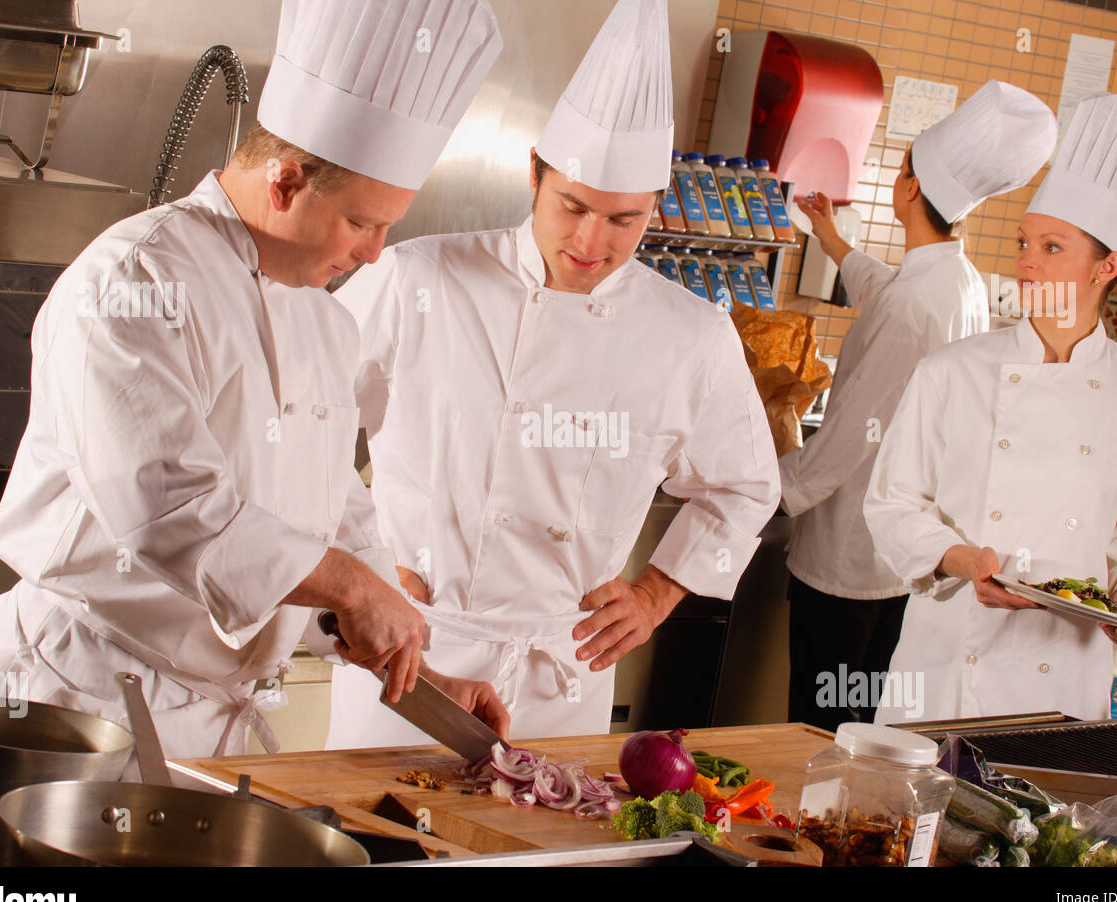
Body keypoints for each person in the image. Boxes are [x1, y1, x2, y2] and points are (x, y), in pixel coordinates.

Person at [0, 0, 509, 764]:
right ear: (283, 183)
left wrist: (414, 665)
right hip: (80, 705)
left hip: (214, 726)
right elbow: (169, 505)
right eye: (362, 224)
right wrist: (353, 589)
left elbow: (329, 506)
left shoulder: (320, 318)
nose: (376, 255)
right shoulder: (135, 278)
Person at [326, 0, 780, 747]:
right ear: (534, 172)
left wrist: (657, 594)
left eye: (623, 220)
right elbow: (301, 416)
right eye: (573, 206)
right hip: (410, 651)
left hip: (559, 672)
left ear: (653, 209)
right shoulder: (419, 278)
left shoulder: (690, 334)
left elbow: (747, 485)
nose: (592, 241)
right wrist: (361, 563)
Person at [864, 93, 1117, 725]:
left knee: (1047, 822)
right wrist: (964, 562)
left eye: (1052, 248)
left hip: (1065, 678)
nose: (1025, 262)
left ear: (1108, 266)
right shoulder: (951, 373)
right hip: (949, 661)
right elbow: (892, 505)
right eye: (1024, 241)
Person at [779, 81, 1056, 729]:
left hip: (846, 559)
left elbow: (848, 440)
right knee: (853, 717)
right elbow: (888, 289)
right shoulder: (957, 281)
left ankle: (805, 826)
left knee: (816, 727)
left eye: (900, 167)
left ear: (907, 189)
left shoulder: (913, 301)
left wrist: (767, 488)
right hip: (895, 564)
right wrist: (832, 239)